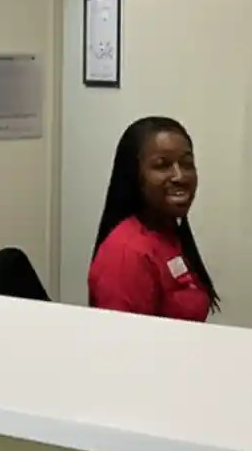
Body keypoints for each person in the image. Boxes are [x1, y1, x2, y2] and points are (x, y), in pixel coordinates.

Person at [87, 116, 219, 321]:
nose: (180, 176)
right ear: (135, 176)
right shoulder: (127, 254)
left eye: (186, 163)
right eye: (162, 165)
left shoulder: (167, 231)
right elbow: (124, 346)